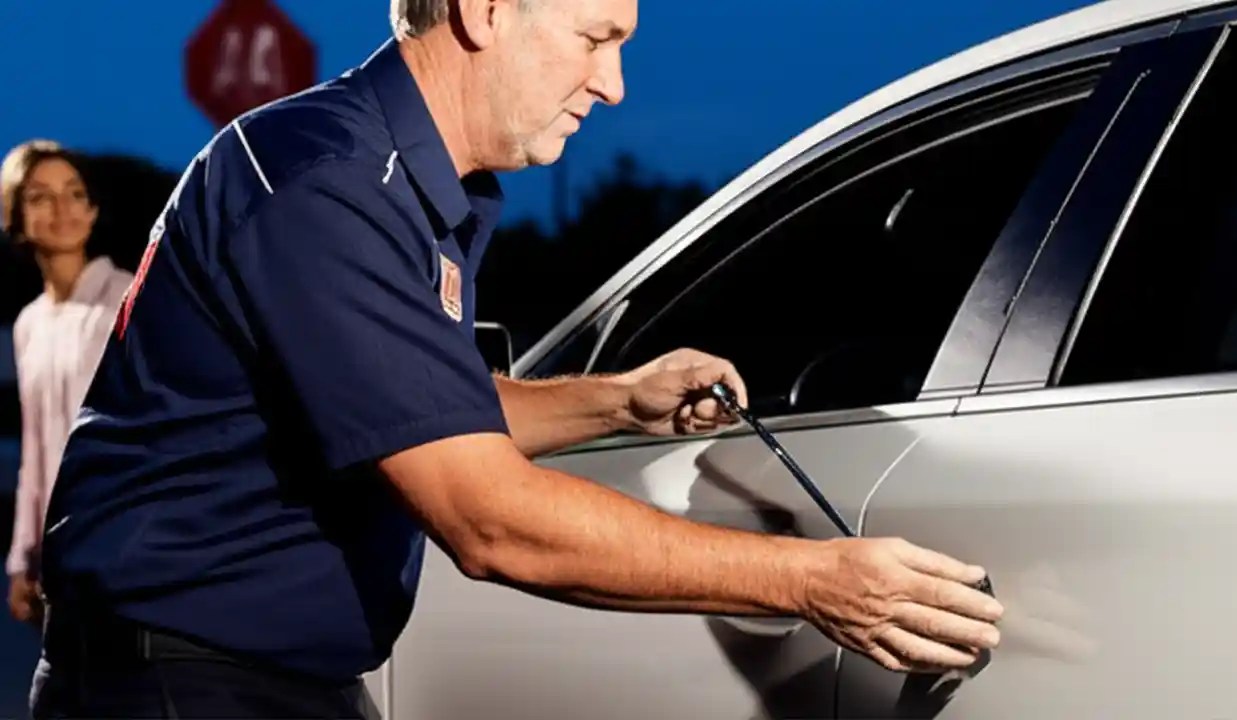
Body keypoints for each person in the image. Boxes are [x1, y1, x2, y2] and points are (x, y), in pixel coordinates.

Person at [32, 0, 1004, 716]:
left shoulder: (398, 183)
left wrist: (619, 401)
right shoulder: (324, 186)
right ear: (485, 10)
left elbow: (419, 408)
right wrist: (812, 581)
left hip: (266, 679)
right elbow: (487, 518)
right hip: (178, 684)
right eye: (595, 37)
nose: (615, 84)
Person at [1, 140, 134, 630]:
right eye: (40, 196)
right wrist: (22, 560)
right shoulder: (29, 324)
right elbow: (36, 451)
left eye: (75, 193)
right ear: (15, 214)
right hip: (60, 552)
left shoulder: (123, 299)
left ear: (93, 209)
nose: (62, 209)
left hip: (120, 538)